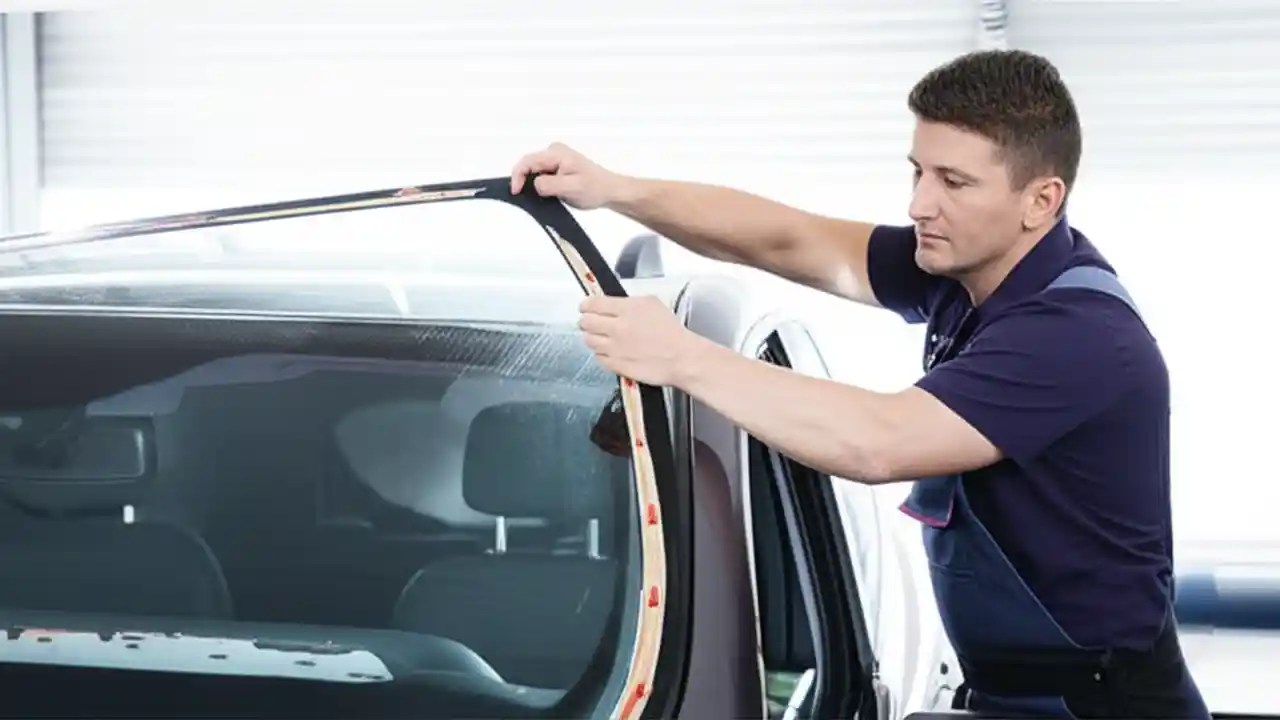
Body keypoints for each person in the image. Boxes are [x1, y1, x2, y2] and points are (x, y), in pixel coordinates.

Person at [510, 49, 1208, 719]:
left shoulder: (1076, 333)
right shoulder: (964, 274)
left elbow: (877, 442)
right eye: (917, 172)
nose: (919, 205)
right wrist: (615, 191)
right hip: (1011, 688)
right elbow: (788, 239)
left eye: (953, 182)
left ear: (1040, 200)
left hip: (1100, 704)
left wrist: (682, 357)